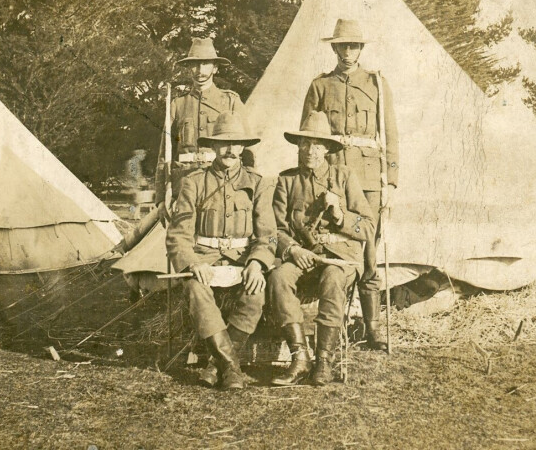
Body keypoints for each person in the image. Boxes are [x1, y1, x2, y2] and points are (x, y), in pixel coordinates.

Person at [301, 18, 398, 351]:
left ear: (360, 49)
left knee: (369, 253)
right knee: (333, 247)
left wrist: (391, 183)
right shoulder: (320, 86)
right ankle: (332, 322)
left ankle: (373, 329)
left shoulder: (376, 84)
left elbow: (390, 135)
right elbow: (307, 138)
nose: (348, 52)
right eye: (342, 46)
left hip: (368, 180)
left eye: (353, 46)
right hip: (332, 177)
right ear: (334, 48)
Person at [165, 112, 276, 390]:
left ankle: (216, 366)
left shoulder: (258, 183)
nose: (229, 149)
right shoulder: (194, 182)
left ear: (242, 147)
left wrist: (257, 263)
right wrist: (193, 263)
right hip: (205, 259)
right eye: (223, 143)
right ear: (213, 146)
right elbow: (178, 234)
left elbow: (267, 235)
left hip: (242, 260)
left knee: (255, 294)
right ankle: (231, 368)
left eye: (235, 144)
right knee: (195, 289)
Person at [266, 111, 377, 386]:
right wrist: (293, 250)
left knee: (333, 278)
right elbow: (275, 230)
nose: (310, 151)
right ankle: (300, 358)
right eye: (305, 144)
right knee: (278, 277)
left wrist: (340, 215)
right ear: (298, 146)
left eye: (317, 145)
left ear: (327, 149)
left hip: (340, 258)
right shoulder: (287, 181)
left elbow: (369, 227)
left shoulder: (344, 176)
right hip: (303, 257)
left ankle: (324, 360)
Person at [155, 38, 245, 211]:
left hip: (220, 184)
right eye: (195, 65)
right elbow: (164, 155)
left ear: (215, 68)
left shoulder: (230, 101)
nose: (200, 71)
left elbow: (247, 152)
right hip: (184, 184)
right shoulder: (178, 104)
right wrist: (160, 199)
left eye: (205, 64)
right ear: (189, 68)